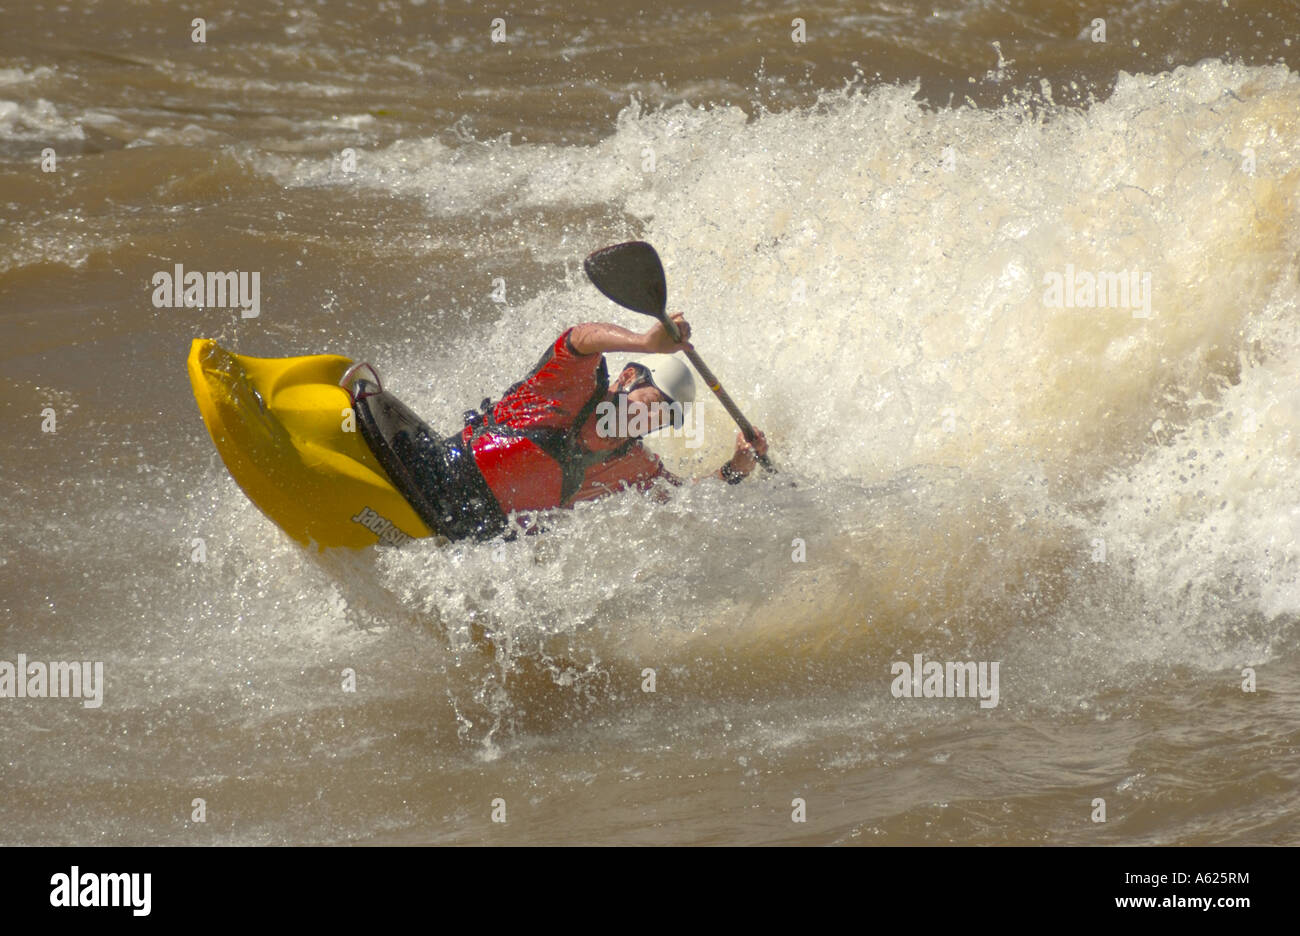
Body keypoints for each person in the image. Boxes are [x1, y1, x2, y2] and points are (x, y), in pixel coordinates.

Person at [450, 314, 768, 535]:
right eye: (655, 404)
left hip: (485, 535)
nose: (651, 421)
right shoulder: (570, 387)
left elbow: (686, 498)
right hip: (449, 475)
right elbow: (580, 338)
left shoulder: (634, 464)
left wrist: (736, 468)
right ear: (628, 377)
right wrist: (645, 342)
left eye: (665, 418)